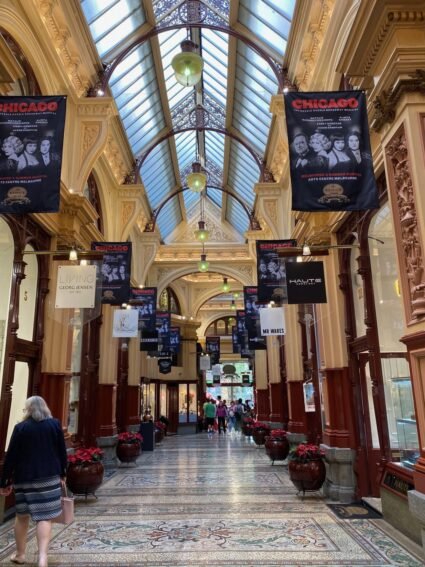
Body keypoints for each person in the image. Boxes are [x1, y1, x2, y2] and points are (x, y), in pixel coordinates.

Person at [0, 396, 67, 567]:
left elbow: (11, 456)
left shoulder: (21, 428)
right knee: (45, 517)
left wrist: (5, 480)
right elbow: (62, 451)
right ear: (45, 408)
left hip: (25, 479)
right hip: (49, 477)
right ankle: (42, 558)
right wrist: (63, 473)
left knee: (22, 516)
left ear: (28, 410)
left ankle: (21, 554)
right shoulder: (54, 425)